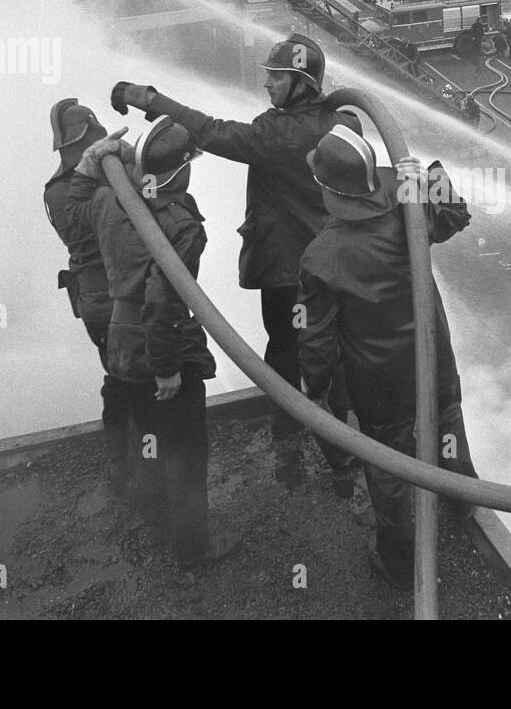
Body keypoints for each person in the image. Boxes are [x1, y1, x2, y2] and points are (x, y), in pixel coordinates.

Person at [110, 34, 358, 489]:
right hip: (333, 268)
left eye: (276, 77)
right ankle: (345, 454)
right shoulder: (341, 124)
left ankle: (297, 456)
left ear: (301, 83)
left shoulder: (275, 135)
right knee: (331, 354)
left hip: (287, 274)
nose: (266, 83)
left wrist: (150, 100)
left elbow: (210, 132)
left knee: (284, 358)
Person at [297, 127, 477, 589]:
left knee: (389, 466)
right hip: (433, 355)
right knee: (447, 422)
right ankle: (463, 502)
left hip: (381, 381)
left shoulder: (322, 256)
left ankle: (399, 565)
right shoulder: (406, 205)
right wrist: (431, 177)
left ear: (328, 189)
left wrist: (313, 389)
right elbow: (457, 213)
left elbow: (315, 338)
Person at [66, 120, 237, 569]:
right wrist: (167, 366)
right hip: (161, 345)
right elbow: (163, 299)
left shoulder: (108, 200)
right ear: (181, 172)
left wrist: (88, 166)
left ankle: (155, 519)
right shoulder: (181, 225)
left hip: (120, 342)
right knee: (186, 452)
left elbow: (72, 213)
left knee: (150, 438)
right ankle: (192, 549)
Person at [44, 99, 126, 491]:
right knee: (127, 377)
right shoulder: (75, 189)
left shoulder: (61, 186)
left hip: (96, 298)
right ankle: (133, 465)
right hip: (109, 296)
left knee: (119, 373)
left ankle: (126, 461)